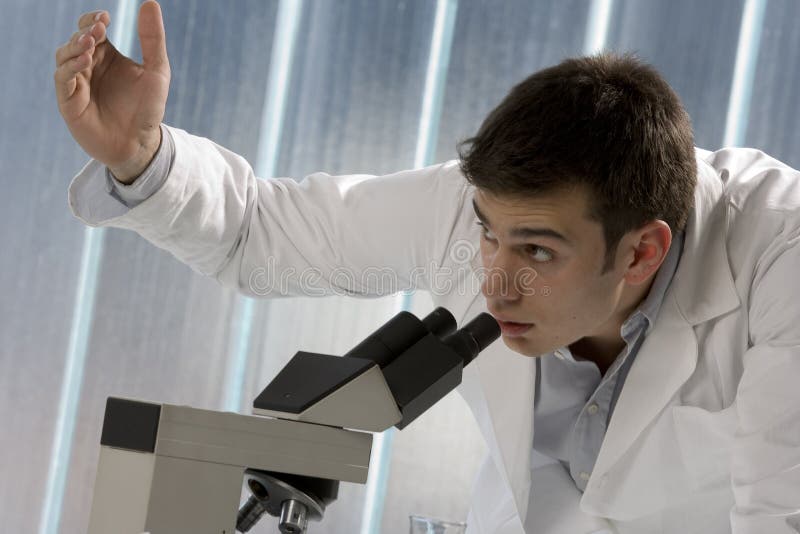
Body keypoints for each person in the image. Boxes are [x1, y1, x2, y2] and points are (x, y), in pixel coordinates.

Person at [54, 2, 800, 533]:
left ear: (644, 251)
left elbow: (780, 513)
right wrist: (141, 157)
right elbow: (260, 233)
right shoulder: (480, 205)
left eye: (538, 252)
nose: (494, 282)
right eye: (487, 236)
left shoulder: (780, 257)